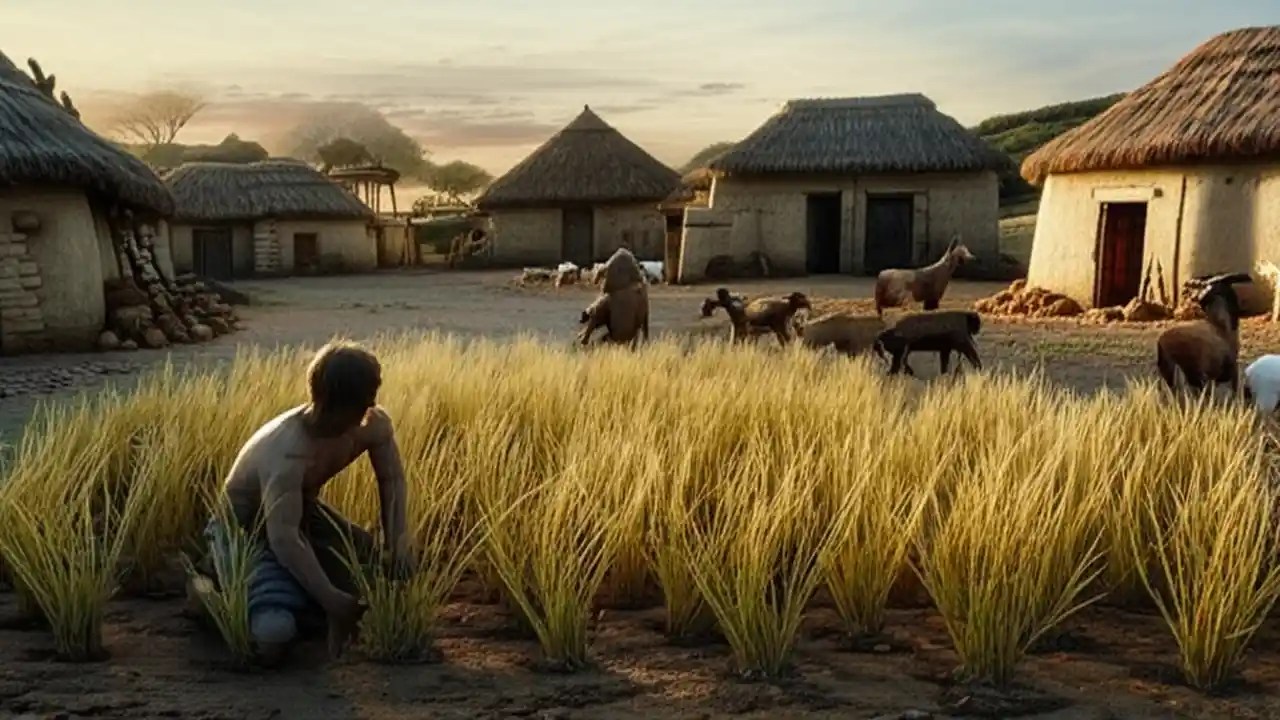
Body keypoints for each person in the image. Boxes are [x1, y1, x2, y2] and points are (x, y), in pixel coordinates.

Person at [186, 340, 409, 664]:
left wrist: (398, 544)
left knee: (369, 572)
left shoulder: (371, 424)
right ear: (335, 402)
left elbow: (392, 480)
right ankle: (206, 590)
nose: (372, 404)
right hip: (243, 531)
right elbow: (283, 539)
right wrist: (333, 601)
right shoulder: (288, 453)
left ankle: (309, 602)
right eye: (363, 399)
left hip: (300, 516)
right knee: (275, 633)